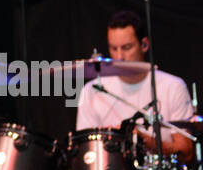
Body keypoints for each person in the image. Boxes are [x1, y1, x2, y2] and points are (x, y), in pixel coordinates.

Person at [75, 9, 194, 159]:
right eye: (113, 48)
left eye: (126, 47)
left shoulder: (173, 86)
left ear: (144, 45)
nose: (119, 56)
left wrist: (143, 141)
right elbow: (86, 153)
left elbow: (186, 152)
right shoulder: (91, 91)